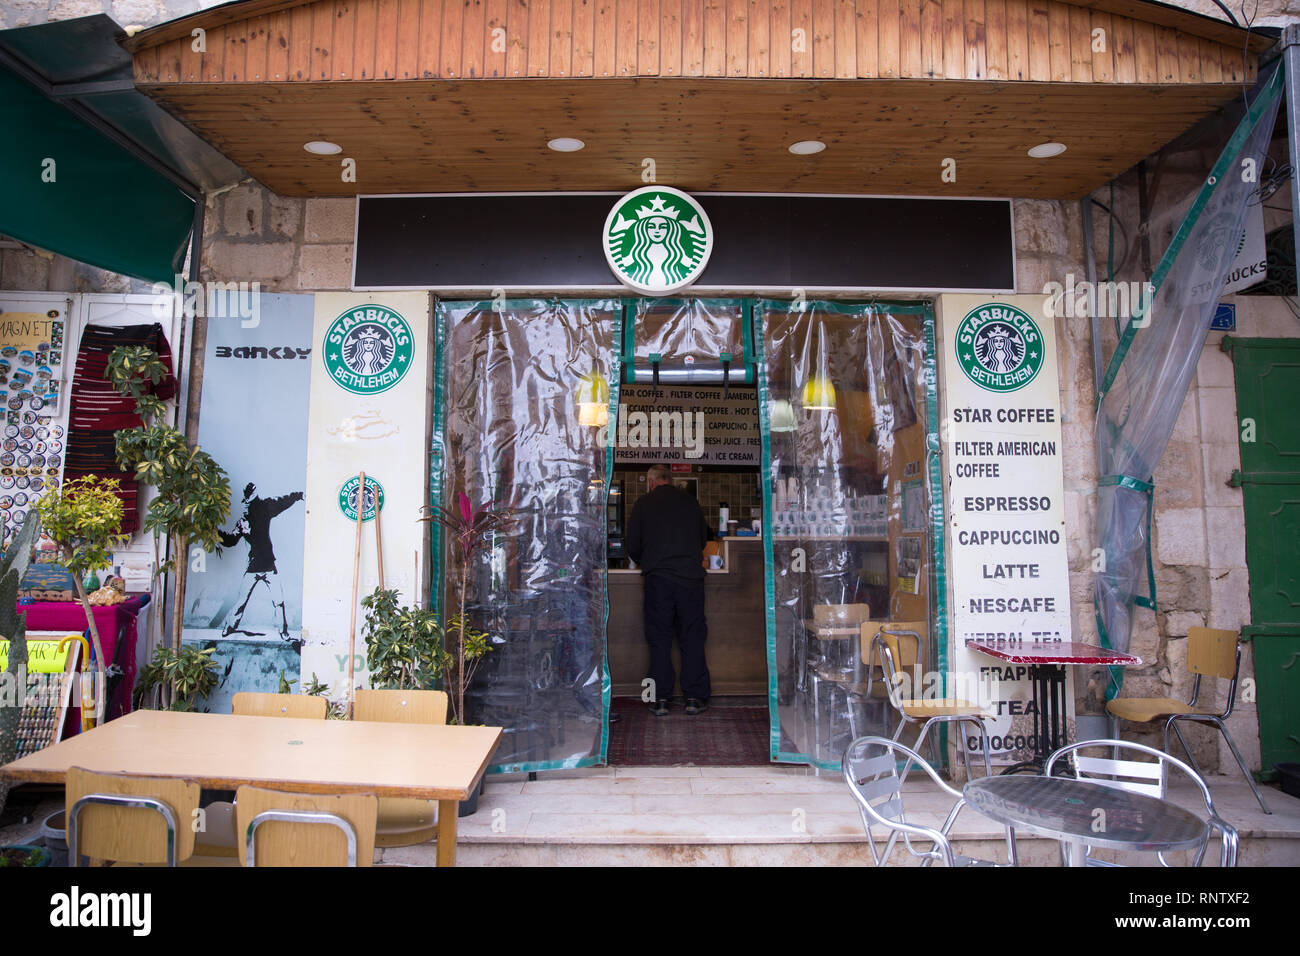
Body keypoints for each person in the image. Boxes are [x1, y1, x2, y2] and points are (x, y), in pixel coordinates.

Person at [626, 464, 712, 716]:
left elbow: (632, 546)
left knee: (659, 640)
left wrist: (650, 560)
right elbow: (703, 539)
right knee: (693, 638)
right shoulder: (690, 503)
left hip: (659, 580)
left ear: (652, 482)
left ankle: (659, 699)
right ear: (670, 480)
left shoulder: (643, 503)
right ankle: (695, 697)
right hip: (690, 580)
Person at [218, 482, 304, 642]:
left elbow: (282, 502)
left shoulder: (260, 511)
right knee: (246, 600)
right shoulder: (246, 520)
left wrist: (298, 496)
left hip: (266, 565)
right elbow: (230, 540)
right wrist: (216, 533)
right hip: (258, 565)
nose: (245, 507)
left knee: (275, 600)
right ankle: (230, 626)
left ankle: (281, 632)